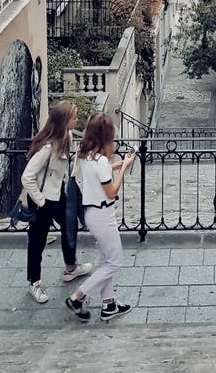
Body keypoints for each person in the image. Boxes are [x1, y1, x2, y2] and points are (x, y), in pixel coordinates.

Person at [65, 113, 134, 322]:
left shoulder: (85, 155)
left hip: (92, 213)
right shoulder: (101, 160)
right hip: (104, 215)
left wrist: (117, 165)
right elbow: (111, 191)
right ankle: (78, 297)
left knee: (106, 260)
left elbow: (97, 174)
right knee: (114, 262)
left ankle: (108, 304)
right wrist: (123, 168)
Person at [21, 100, 91, 305]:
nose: (77, 119)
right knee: (37, 242)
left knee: (70, 227)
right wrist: (41, 201)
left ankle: (70, 268)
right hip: (42, 200)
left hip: (58, 195)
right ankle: (34, 283)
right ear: (64, 120)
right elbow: (27, 177)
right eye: (74, 117)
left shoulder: (67, 136)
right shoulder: (46, 147)